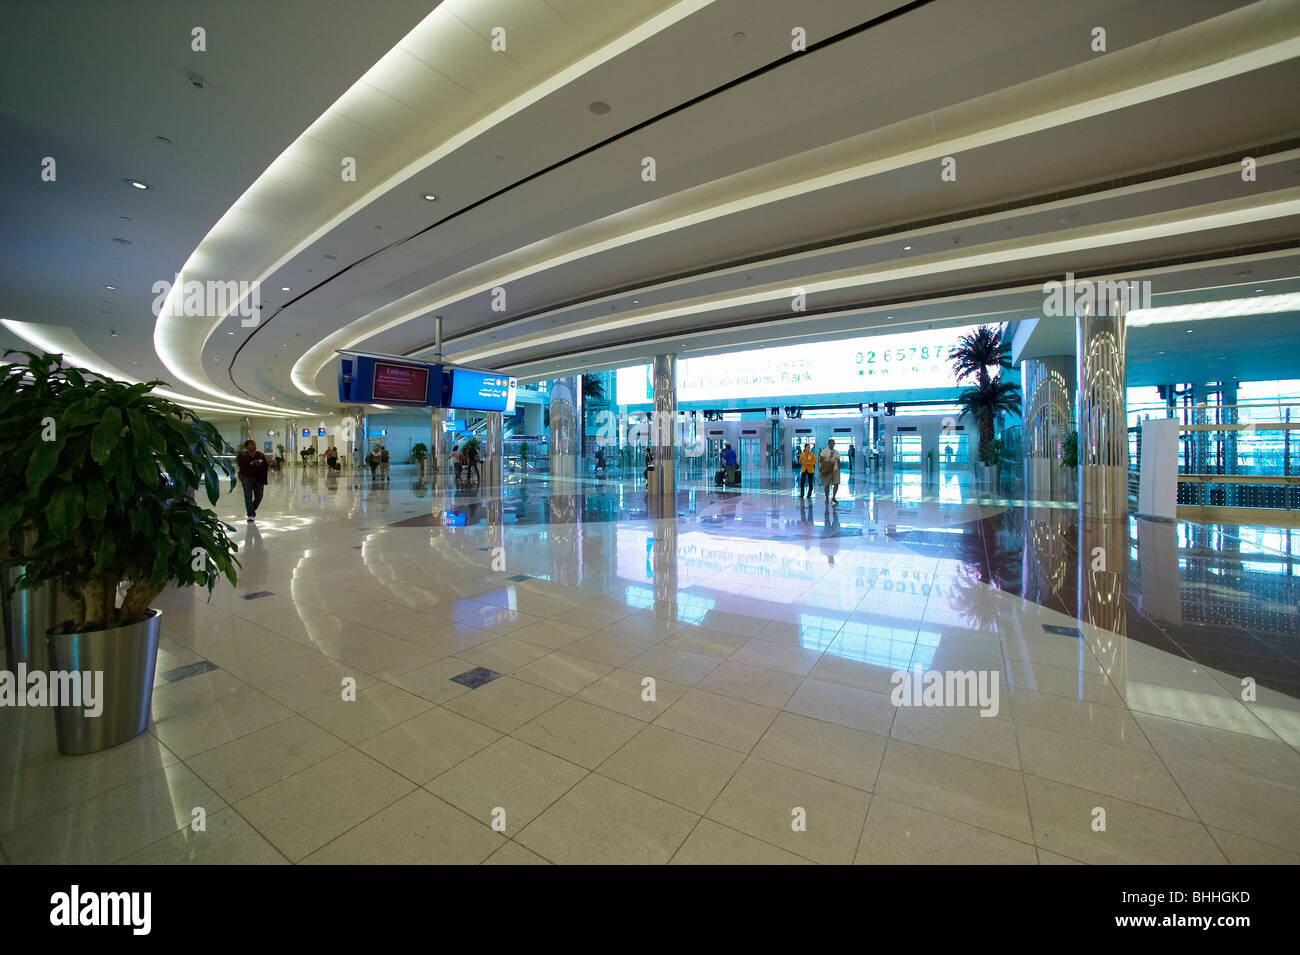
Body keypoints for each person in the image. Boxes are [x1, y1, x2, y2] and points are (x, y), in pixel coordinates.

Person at [235, 439, 269, 522]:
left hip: (258, 478)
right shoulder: (242, 455)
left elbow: (265, 464)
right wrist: (252, 463)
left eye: (254, 444)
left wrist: (261, 465)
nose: (254, 446)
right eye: (251, 444)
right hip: (246, 478)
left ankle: (251, 510)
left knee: (259, 496)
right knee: (248, 496)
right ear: (246, 447)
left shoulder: (260, 455)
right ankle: (251, 515)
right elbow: (241, 465)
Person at [819, 438, 841, 504]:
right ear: (828, 444)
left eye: (833, 443)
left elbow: (839, 461)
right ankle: (826, 498)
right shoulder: (824, 451)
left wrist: (838, 469)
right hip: (828, 470)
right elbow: (821, 460)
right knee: (827, 485)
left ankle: (833, 497)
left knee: (836, 484)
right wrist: (828, 458)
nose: (832, 445)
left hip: (835, 470)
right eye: (831, 443)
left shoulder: (836, 452)